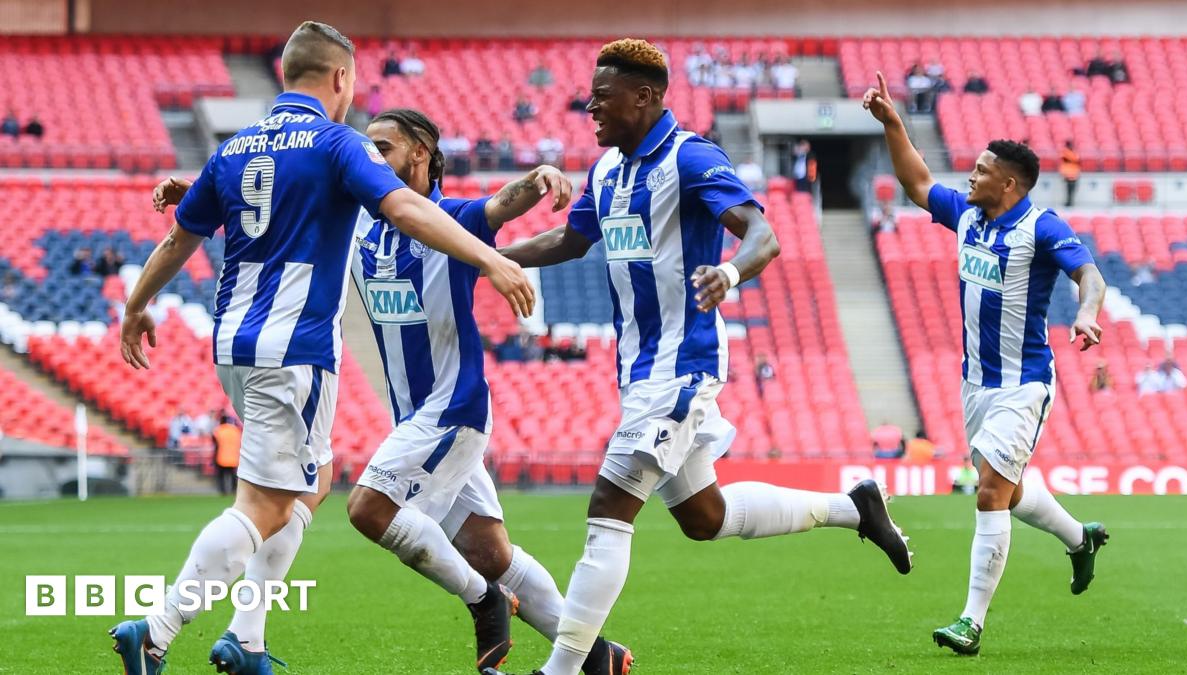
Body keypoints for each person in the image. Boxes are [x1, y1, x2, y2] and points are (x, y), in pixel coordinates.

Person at [111, 21, 534, 675]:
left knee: (312, 483)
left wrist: (137, 305)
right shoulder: (336, 144)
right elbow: (405, 209)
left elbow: (176, 240)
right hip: (294, 350)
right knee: (262, 504)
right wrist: (491, 260)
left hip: (234, 344)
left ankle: (246, 639)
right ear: (341, 79)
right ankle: (159, 630)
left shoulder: (236, 148)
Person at [486, 40, 912, 675]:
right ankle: (854, 507)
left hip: (680, 370)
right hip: (638, 374)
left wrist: (731, 275)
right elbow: (569, 240)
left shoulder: (691, 158)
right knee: (703, 517)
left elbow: (763, 236)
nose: (589, 106)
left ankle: (563, 670)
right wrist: (487, 256)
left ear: (647, 96)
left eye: (603, 96)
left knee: (608, 508)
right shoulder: (607, 171)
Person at [344, 108, 631, 674]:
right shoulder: (361, 226)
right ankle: (598, 656)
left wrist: (536, 178)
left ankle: (483, 601)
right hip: (416, 420)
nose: (370, 157)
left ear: (420, 153)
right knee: (492, 553)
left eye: (384, 147)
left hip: (452, 410)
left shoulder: (450, 222)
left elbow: (497, 209)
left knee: (368, 509)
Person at [865, 70, 1110, 656]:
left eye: (979, 171)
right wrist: (894, 124)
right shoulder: (970, 216)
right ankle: (1080, 539)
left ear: (1008, 184)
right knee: (1008, 486)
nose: (969, 177)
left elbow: (1090, 274)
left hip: (1024, 382)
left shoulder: (1040, 226)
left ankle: (970, 623)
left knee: (989, 494)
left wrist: (1087, 312)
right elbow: (918, 182)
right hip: (975, 382)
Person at [212, 415, 241, 496]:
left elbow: (215, 443)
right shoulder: (236, 430)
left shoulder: (218, 430)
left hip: (221, 457)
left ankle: (223, 491)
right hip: (234, 457)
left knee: (221, 476)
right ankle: (233, 490)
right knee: (233, 476)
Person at [1060, 140, 1081, 207]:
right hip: (1068, 175)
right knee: (1069, 190)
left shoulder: (1073, 152)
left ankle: (1070, 202)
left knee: (1072, 190)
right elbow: (1075, 159)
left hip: (1074, 174)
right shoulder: (1066, 152)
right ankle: (1068, 202)